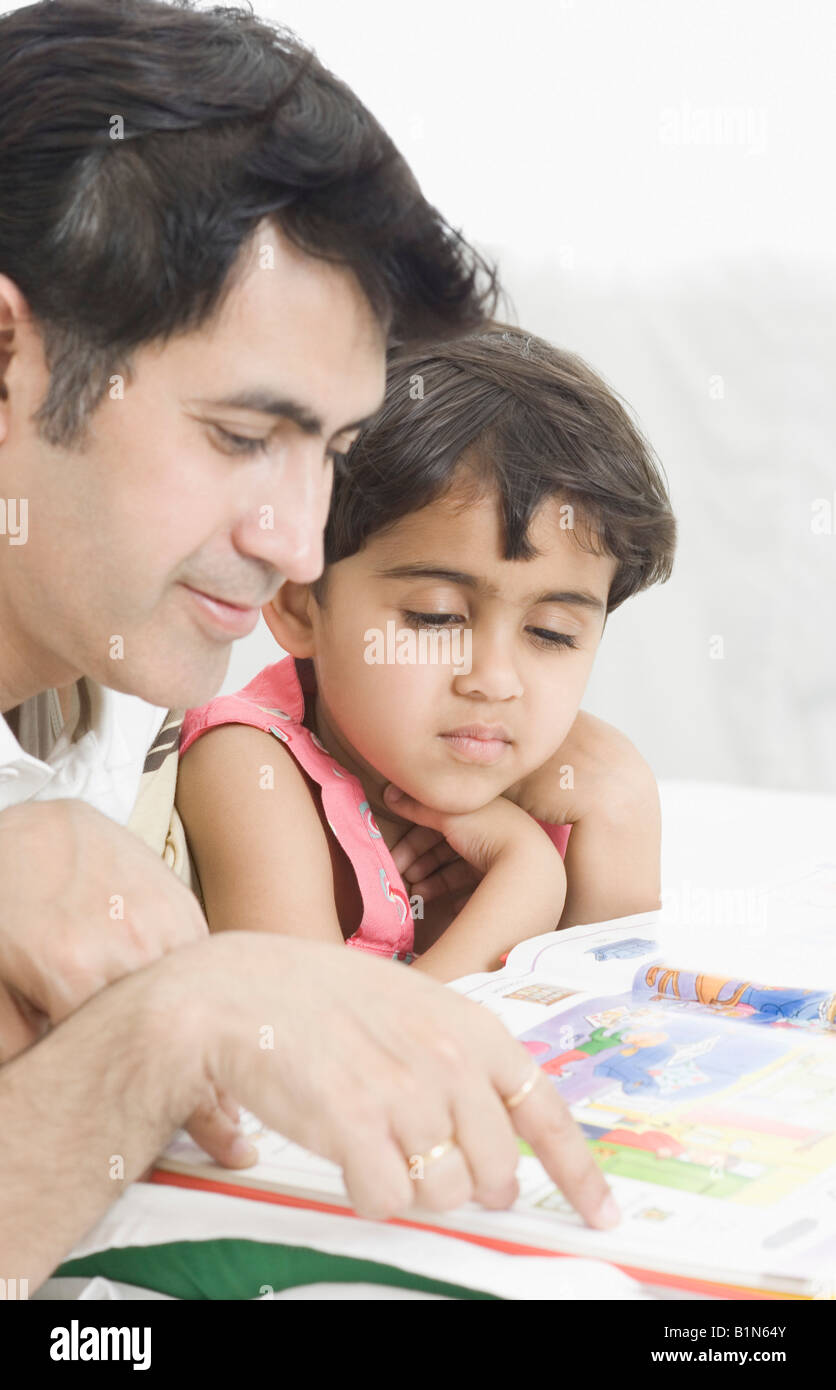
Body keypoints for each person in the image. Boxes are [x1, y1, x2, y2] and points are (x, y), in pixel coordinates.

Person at [0, 0, 619, 1291]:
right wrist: (174, 1026)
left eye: (330, 450)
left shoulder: (115, 672)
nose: (297, 546)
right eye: (239, 437)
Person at [176, 326, 674, 981]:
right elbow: (316, 1035)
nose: (494, 681)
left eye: (552, 632)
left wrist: (624, 818)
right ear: (300, 605)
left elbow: (608, 1020)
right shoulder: (250, 768)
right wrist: (525, 884)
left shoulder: (586, 782)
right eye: (436, 618)